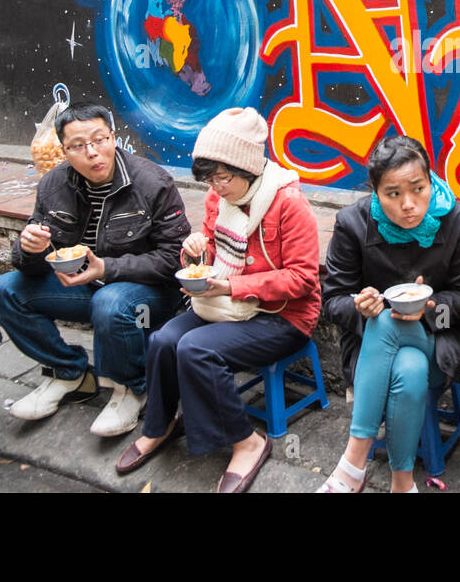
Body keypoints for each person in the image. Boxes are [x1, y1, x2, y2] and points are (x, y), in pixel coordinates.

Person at [112, 107, 321, 493]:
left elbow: (303, 280)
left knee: (195, 350)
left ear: (248, 168)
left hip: (282, 315)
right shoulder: (218, 198)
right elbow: (209, 250)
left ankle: (248, 442)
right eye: (208, 178)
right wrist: (194, 252)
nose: (216, 187)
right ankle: (161, 426)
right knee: (161, 340)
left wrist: (230, 288)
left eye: (223, 177)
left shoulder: (287, 204)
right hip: (224, 304)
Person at [0, 102, 190, 436]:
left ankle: (131, 388)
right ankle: (69, 373)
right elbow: (29, 264)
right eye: (78, 146)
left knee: (109, 301)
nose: (93, 153)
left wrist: (106, 268)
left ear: (113, 138)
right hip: (83, 286)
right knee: (5, 291)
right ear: (64, 150)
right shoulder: (53, 184)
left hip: (148, 294)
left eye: (100, 140)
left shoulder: (153, 183)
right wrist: (29, 249)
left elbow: (173, 260)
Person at [317, 135, 460, 493]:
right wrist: (360, 306)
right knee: (408, 368)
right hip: (369, 349)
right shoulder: (353, 223)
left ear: (430, 180)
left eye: (418, 188)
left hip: (439, 340)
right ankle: (402, 485)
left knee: (388, 326)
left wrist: (429, 309)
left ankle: (352, 464)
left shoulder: (457, 220)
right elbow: (332, 300)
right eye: (393, 193)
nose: (409, 204)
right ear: (375, 191)